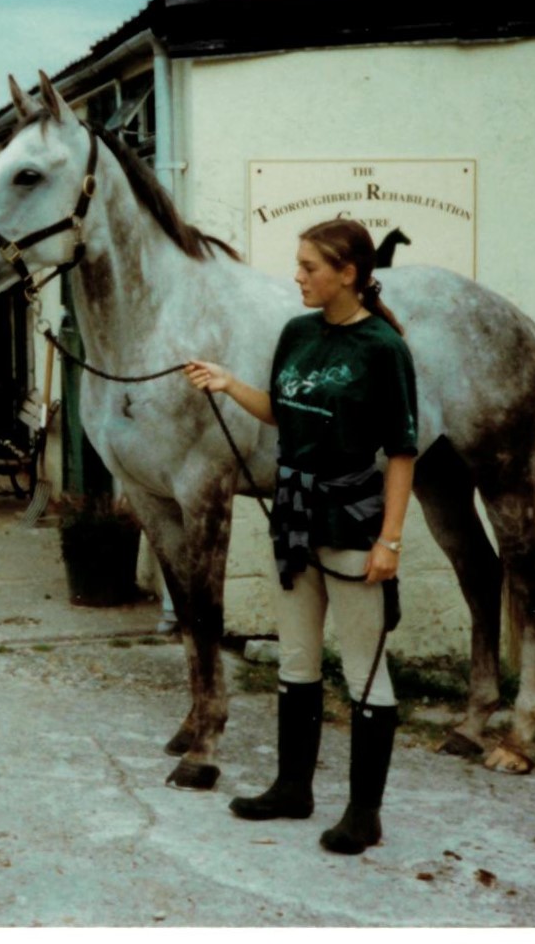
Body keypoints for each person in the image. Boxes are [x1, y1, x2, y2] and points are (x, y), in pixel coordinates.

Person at [183, 218, 417, 855]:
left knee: (365, 672)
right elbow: (282, 412)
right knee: (297, 662)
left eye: (310, 267)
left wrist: (389, 541)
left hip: (350, 516)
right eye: (298, 265)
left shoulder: (382, 348)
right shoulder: (298, 332)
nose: (298, 277)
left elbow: (401, 451)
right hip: (292, 514)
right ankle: (293, 788)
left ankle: (364, 813)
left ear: (349, 274)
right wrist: (229, 384)